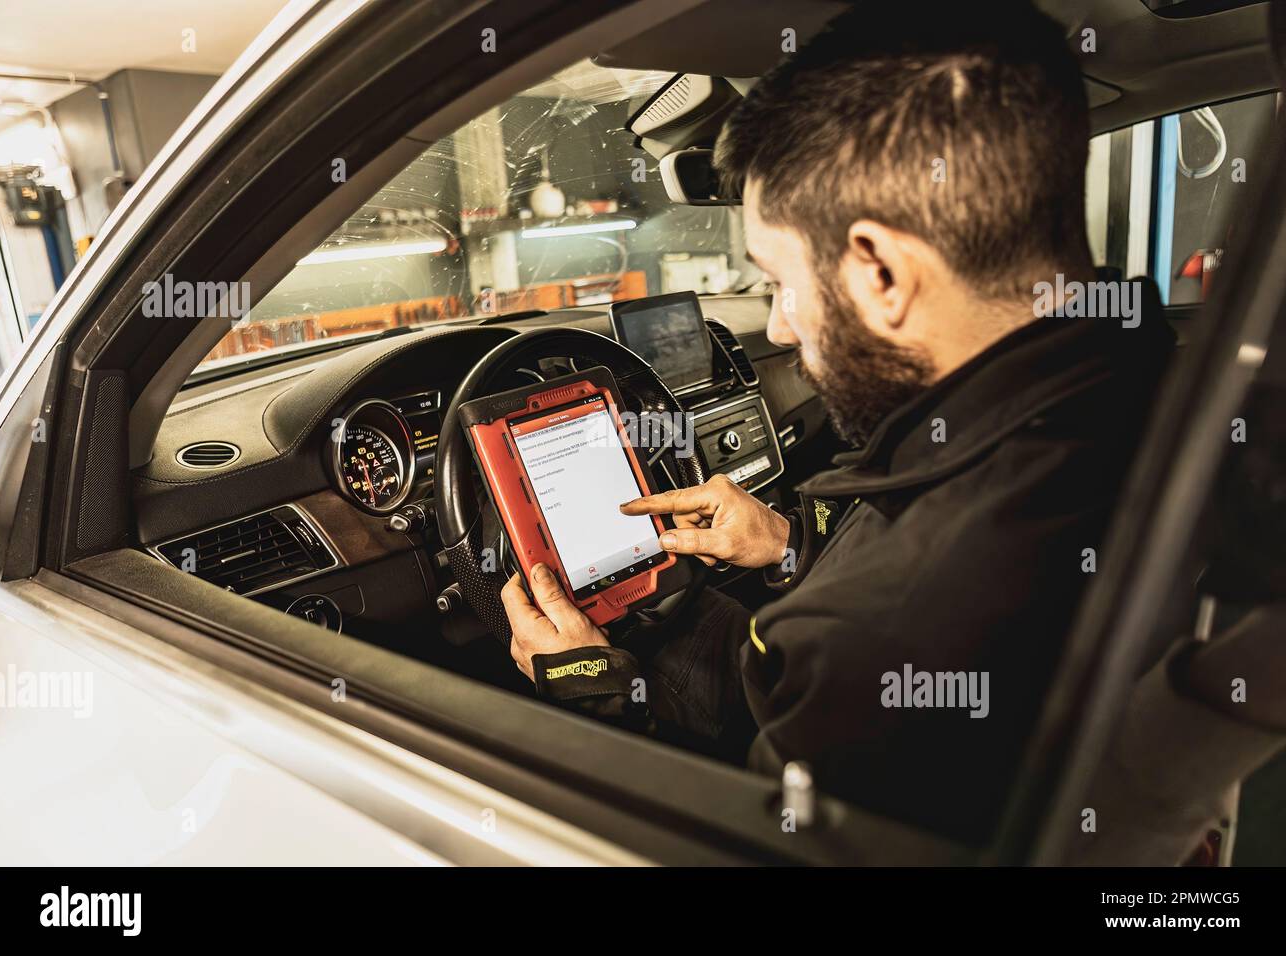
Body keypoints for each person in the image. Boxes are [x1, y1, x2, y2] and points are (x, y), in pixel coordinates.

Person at [499, 0, 1175, 843]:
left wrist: (597, 701)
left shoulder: (869, 642)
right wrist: (787, 547)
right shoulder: (1161, 385)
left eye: (780, 282)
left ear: (883, 272)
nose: (778, 327)